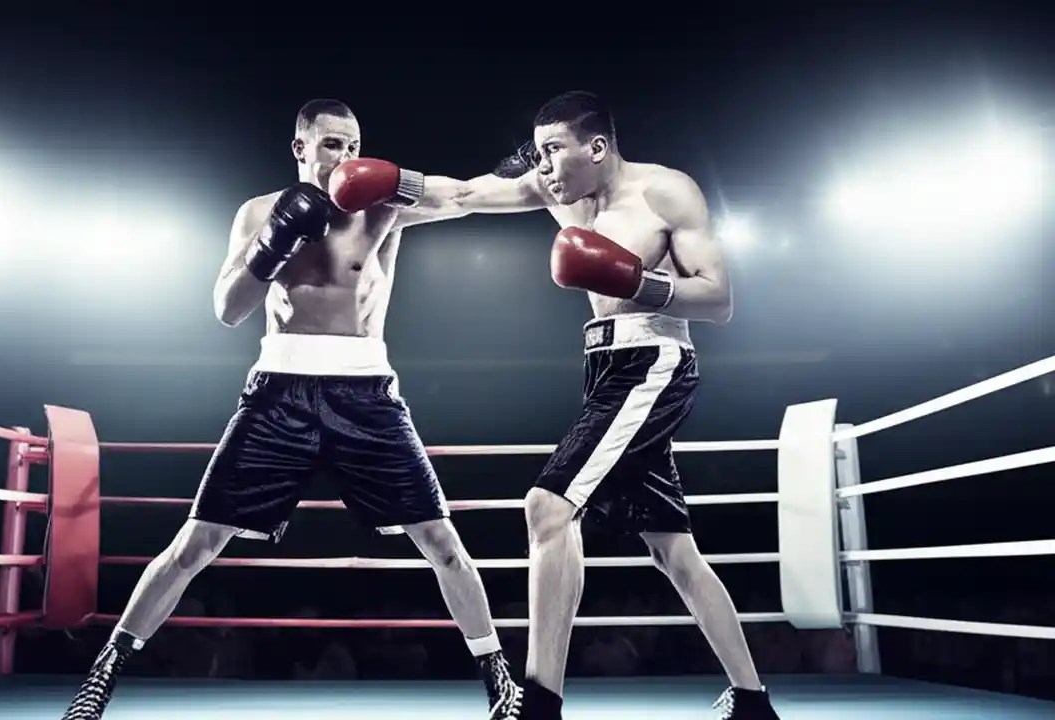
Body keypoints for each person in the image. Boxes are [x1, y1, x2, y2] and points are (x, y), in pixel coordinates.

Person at [58, 98, 523, 720]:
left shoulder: (383, 205)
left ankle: (500, 683)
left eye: (353, 145)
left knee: (440, 539)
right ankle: (101, 677)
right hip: (280, 391)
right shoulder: (258, 212)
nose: (345, 156)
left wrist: (531, 174)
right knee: (196, 542)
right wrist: (274, 242)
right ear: (300, 147)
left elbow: (465, 196)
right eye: (332, 143)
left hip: (365, 390)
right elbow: (228, 309)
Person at [328, 90, 780, 719]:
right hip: (605, 365)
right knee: (671, 548)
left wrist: (634, 279)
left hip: (654, 361)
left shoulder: (666, 193)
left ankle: (541, 701)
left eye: (552, 151)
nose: (542, 166)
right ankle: (753, 701)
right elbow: (466, 194)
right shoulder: (555, 191)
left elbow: (719, 299)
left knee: (546, 508)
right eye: (536, 153)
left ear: (596, 147)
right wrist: (394, 182)